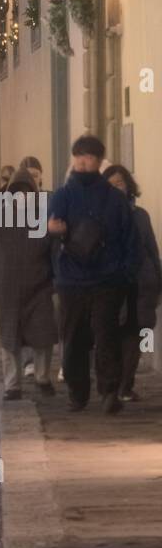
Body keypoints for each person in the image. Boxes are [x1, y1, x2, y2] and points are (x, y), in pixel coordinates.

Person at [47, 135, 139, 413]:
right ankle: (78, 392)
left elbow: (129, 238)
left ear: (99, 161)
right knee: (73, 338)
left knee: (106, 335)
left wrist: (125, 273)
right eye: (78, 156)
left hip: (107, 279)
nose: (81, 161)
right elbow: (50, 228)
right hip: (72, 279)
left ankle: (109, 391)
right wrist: (54, 229)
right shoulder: (63, 194)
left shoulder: (114, 199)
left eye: (87, 156)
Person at [0, 173, 57, 401]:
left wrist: (56, 282)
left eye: (26, 192)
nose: (21, 197)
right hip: (7, 288)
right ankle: (12, 384)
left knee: (43, 336)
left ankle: (42, 377)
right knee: (8, 337)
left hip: (39, 287)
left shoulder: (43, 220)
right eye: (17, 192)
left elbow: (54, 253)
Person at [103, 165, 161, 402]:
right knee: (114, 335)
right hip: (113, 284)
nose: (115, 188)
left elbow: (151, 249)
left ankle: (125, 385)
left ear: (128, 185)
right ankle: (114, 383)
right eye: (110, 184)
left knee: (136, 336)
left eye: (119, 182)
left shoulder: (141, 215)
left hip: (141, 284)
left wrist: (158, 279)